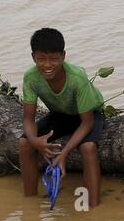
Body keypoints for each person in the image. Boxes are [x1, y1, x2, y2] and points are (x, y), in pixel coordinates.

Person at [17, 28, 105, 208]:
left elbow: (87, 122)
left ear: (63, 56)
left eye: (54, 59)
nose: (48, 65)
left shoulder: (77, 77)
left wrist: (64, 154)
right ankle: (29, 202)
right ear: (34, 57)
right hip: (60, 114)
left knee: (88, 148)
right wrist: (35, 142)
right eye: (41, 59)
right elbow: (28, 118)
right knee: (24, 143)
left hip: (88, 115)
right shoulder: (31, 77)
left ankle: (93, 207)